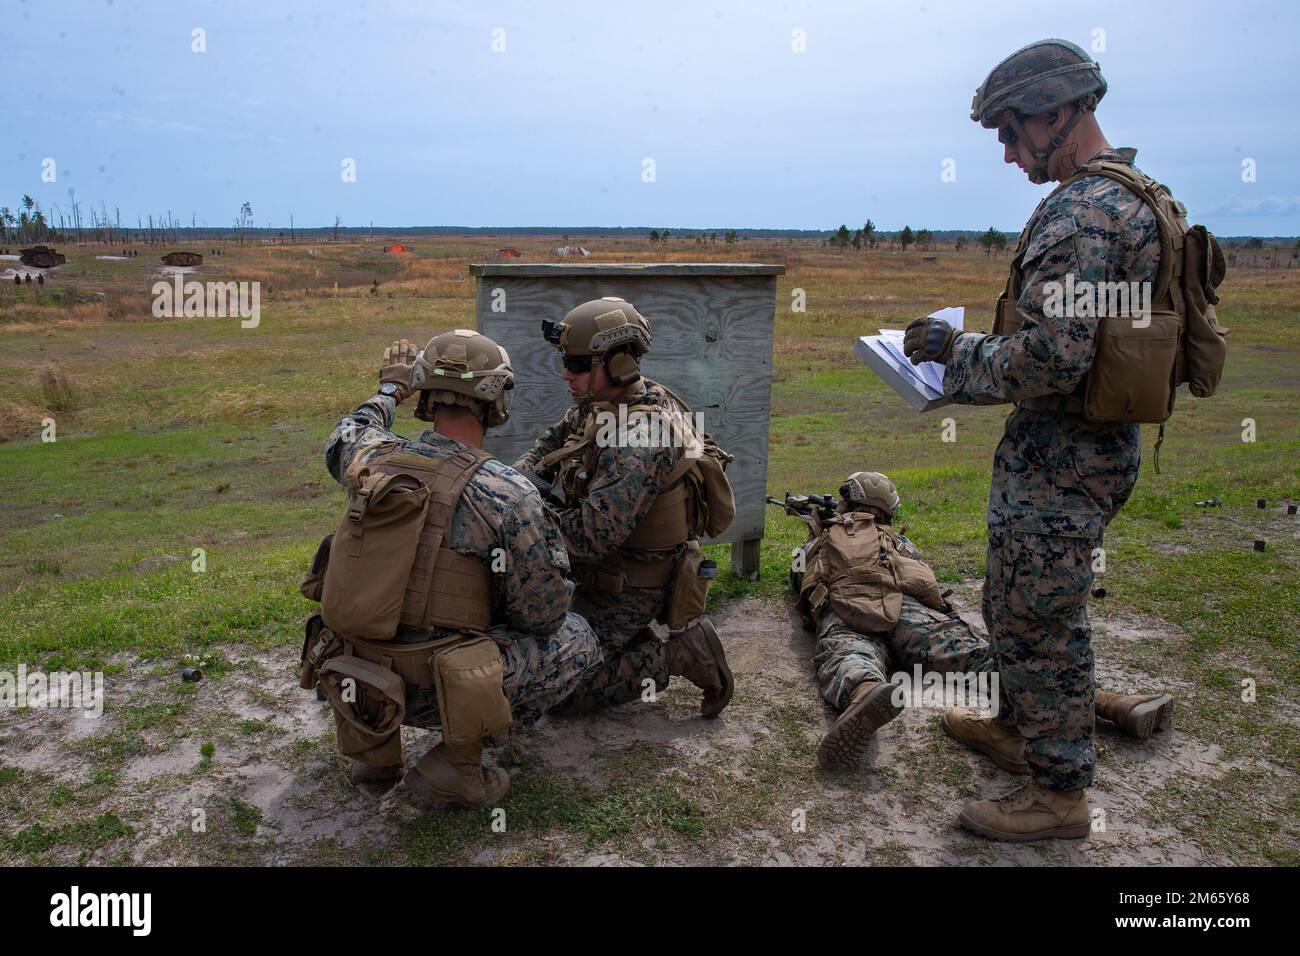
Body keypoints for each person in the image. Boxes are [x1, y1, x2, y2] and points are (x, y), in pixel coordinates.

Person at [903, 39, 1189, 840]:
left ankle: (1058, 794)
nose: (1004, 149)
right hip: (1093, 444)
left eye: (1009, 130)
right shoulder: (1135, 195)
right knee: (1015, 600)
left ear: (1059, 112)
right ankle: (1023, 731)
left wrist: (952, 354)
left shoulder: (1084, 212)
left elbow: (1052, 359)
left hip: (1064, 456)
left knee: (1039, 617)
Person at [302, 330, 601, 809]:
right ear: (495, 401)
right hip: (434, 690)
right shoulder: (507, 494)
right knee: (578, 636)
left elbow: (347, 431)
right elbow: (541, 617)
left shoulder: (369, 458)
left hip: (353, 671)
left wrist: (389, 390)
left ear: (424, 395)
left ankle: (374, 752)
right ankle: (456, 765)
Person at [789, 471, 1173, 772]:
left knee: (847, 655)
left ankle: (865, 692)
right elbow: (922, 577)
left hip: (846, 610)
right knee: (983, 660)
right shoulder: (896, 541)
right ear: (887, 509)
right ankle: (1111, 704)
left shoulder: (823, 539)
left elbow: (800, 577)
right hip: (907, 610)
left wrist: (817, 532)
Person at [514, 297, 735, 718]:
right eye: (566, 360)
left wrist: (520, 523)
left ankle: (677, 655)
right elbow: (542, 454)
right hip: (596, 573)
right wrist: (503, 492)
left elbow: (591, 537)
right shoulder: (602, 406)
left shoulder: (640, 436)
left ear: (616, 365)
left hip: (629, 586)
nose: (565, 372)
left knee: (552, 689)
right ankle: (622, 643)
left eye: (577, 363)